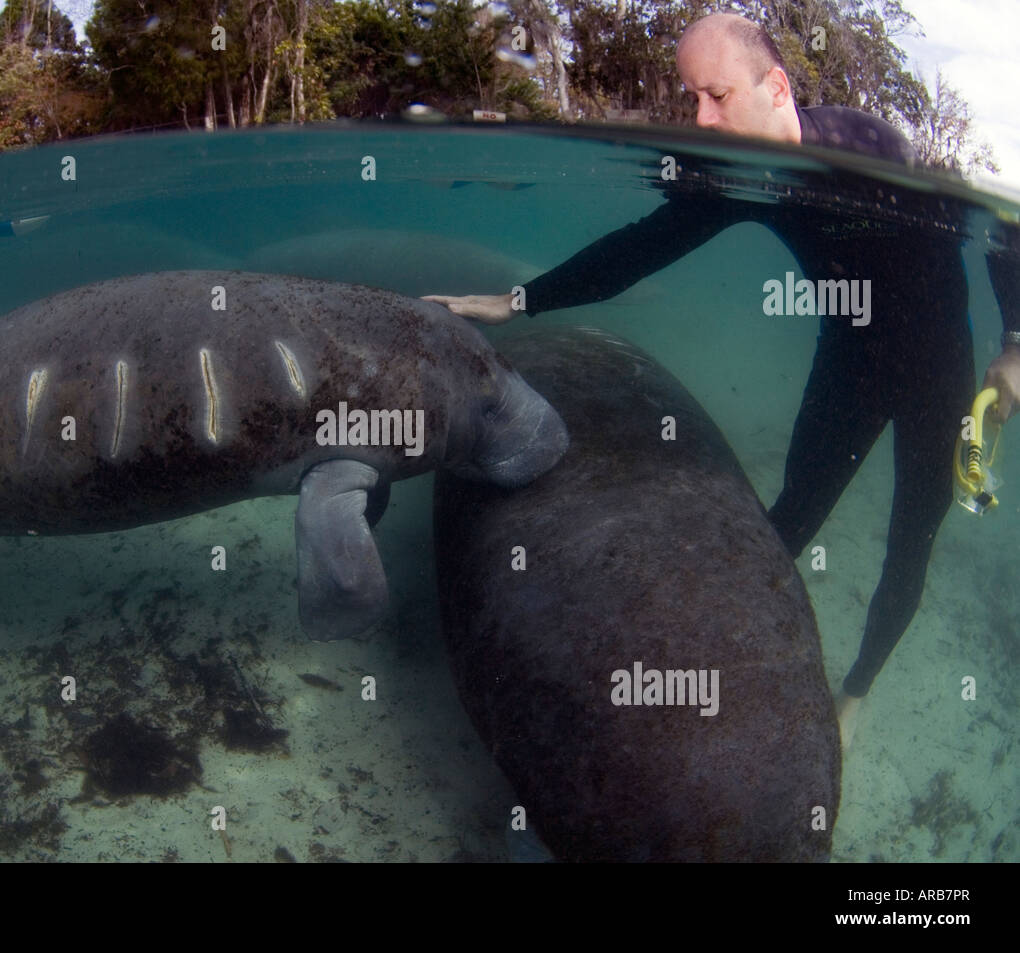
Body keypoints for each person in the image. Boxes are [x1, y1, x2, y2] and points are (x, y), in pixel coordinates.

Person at [425, 12, 1020, 750]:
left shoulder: (876, 148)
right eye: (691, 100)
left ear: (775, 87)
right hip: (851, 363)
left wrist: (1017, 341)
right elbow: (643, 248)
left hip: (940, 371)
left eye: (716, 95)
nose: (700, 119)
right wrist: (518, 301)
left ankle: (857, 689)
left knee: (911, 541)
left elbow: (1003, 226)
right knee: (793, 511)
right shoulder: (739, 176)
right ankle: (719, 645)